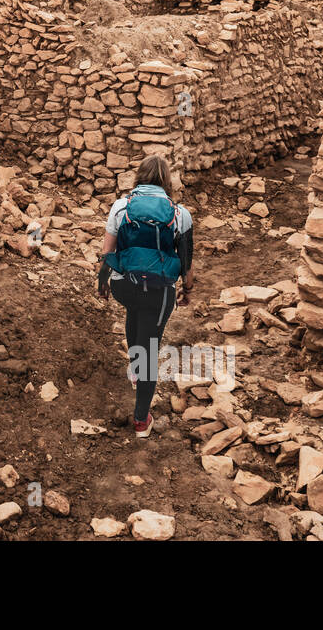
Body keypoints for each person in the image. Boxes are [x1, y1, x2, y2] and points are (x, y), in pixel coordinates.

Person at [97, 154, 194, 438]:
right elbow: (186, 263)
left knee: (134, 312)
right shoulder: (180, 215)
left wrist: (103, 283)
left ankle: (136, 370)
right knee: (151, 345)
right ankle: (141, 420)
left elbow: (108, 252)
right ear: (166, 181)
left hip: (124, 286)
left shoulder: (120, 207)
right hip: (159, 290)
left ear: (139, 176)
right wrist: (187, 290)